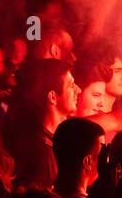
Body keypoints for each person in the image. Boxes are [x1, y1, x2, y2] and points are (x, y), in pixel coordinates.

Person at [7, 58, 79, 189]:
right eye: (71, 86)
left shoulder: (54, 141)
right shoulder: (42, 153)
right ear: (52, 97)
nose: (78, 90)